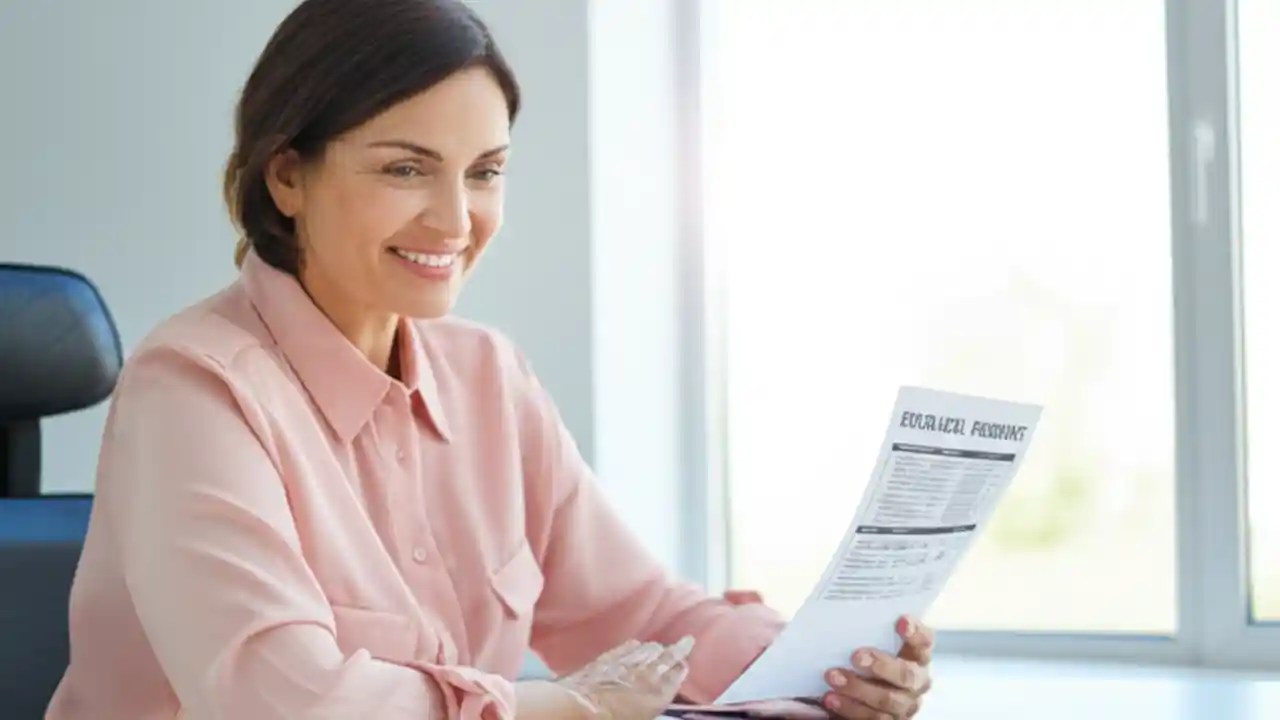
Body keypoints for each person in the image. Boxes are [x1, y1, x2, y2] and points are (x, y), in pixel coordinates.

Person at [46, 1, 936, 718]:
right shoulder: (196, 388)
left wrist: (825, 668)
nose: (456, 219)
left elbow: (644, 620)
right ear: (287, 176)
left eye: (485, 172)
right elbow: (281, 698)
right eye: (405, 170)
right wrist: (562, 710)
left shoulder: (487, 377)